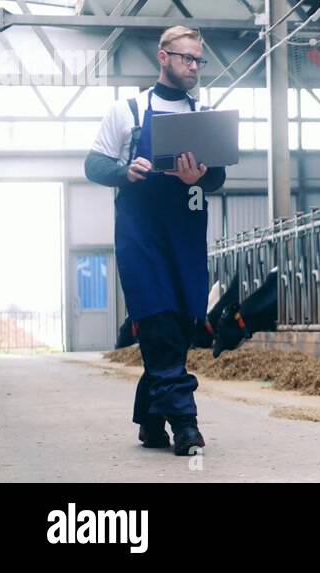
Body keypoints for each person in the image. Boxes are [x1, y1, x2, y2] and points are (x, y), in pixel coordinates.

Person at [84, 26, 226, 456]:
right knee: (159, 324)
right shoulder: (127, 111)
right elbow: (94, 164)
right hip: (141, 237)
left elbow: (218, 175)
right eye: (186, 58)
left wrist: (200, 176)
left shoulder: (204, 115)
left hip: (186, 237)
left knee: (182, 325)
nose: (194, 67)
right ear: (163, 58)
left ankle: (150, 419)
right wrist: (124, 171)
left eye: (199, 60)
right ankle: (185, 424)